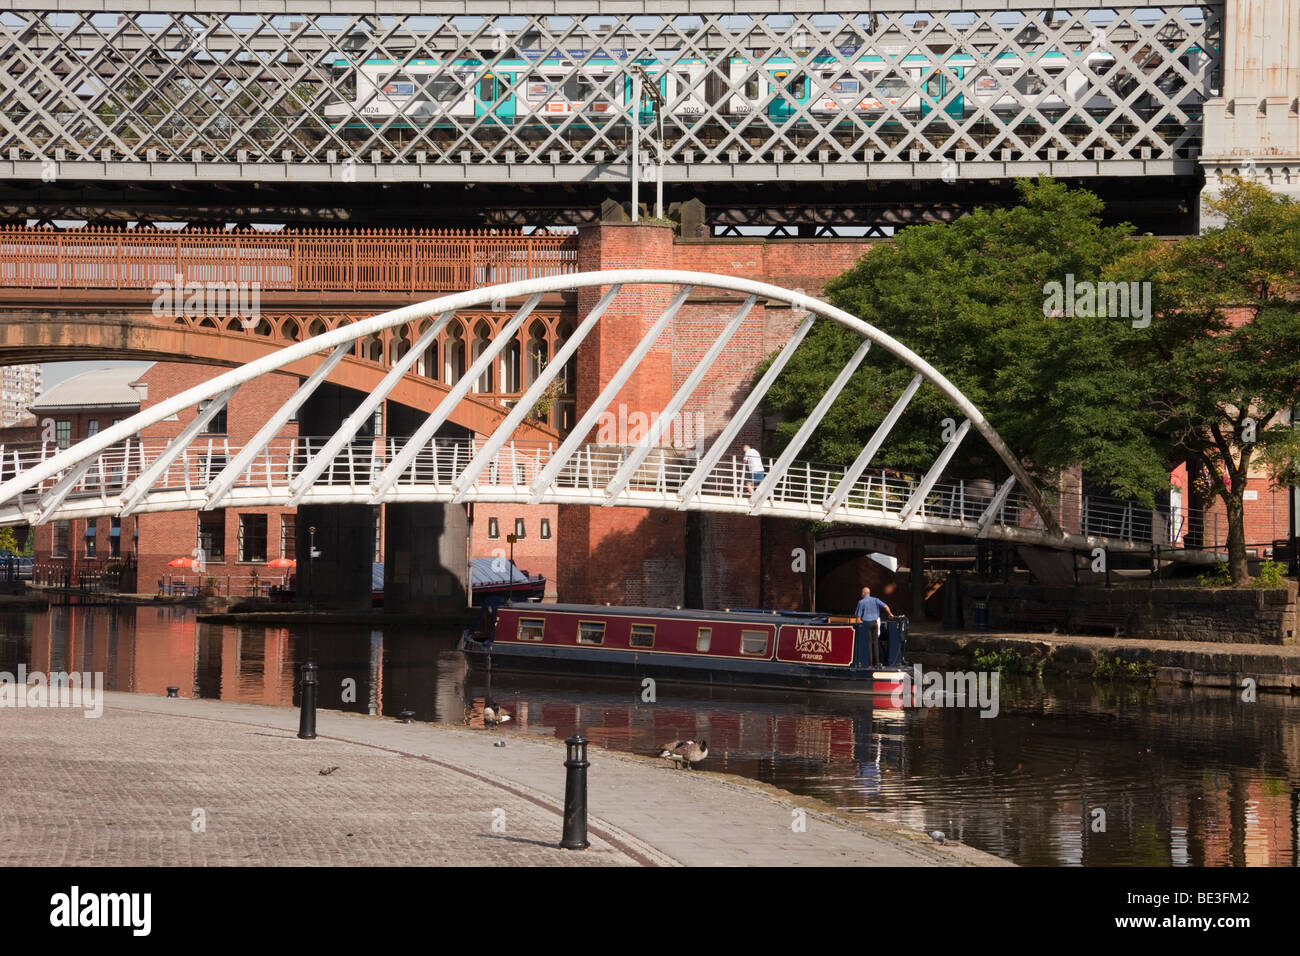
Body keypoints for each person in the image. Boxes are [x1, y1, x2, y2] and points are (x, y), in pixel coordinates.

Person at [853, 586, 894, 666]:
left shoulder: (861, 602)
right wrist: (890, 614)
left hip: (867, 624)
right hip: (875, 623)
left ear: (864, 593)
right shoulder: (875, 600)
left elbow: (858, 617)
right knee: (875, 643)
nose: (861, 594)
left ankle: (870, 663)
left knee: (869, 643)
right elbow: (886, 606)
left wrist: (860, 625)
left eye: (861, 592)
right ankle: (877, 662)